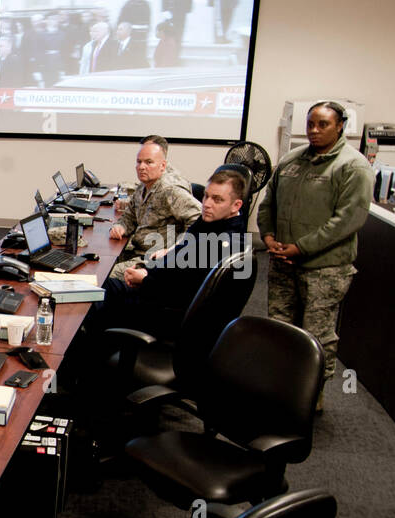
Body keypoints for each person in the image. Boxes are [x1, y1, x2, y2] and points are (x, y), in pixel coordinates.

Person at [258, 101, 373, 409]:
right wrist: (268, 237)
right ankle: (279, 388)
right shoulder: (291, 160)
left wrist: (301, 247)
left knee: (316, 335)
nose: (314, 130)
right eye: (310, 124)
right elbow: (268, 204)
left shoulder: (353, 166)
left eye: (323, 124)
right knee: (280, 329)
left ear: (340, 126)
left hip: (324, 269)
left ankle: (311, 396)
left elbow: (347, 220)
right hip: (283, 262)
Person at [88, 169, 251, 338]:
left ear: (236, 205)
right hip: (160, 292)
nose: (207, 204)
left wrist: (144, 279)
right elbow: (181, 257)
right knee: (101, 288)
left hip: (167, 313)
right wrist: (147, 270)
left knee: (96, 295)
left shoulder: (220, 243)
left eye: (217, 199)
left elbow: (181, 289)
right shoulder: (212, 223)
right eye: (206, 196)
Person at [108, 135, 201, 279]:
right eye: (139, 162)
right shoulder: (144, 185)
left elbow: (199, 220)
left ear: (163, 166)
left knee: (101, 275)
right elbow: (129, 215)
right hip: (135, 251)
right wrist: (121, 226)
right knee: (95, 262)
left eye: (149, 162)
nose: (141, 167)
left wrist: (174, 250)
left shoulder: (170, 189)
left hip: (153, 260)